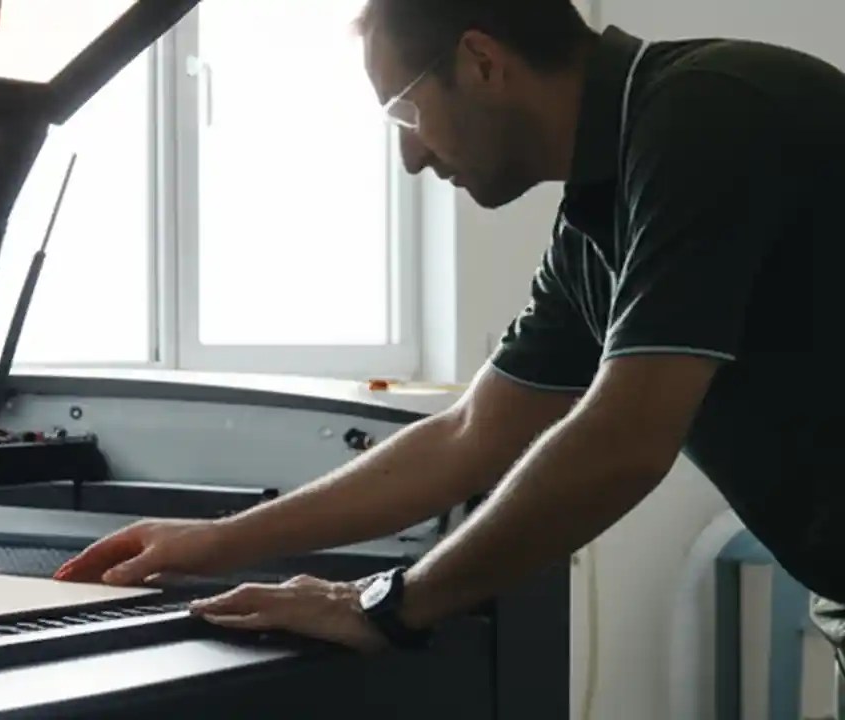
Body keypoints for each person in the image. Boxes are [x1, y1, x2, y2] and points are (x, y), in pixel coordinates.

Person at [55, 0, 842, 664]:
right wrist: (217, 542)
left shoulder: (711, 113)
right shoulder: (596, 224)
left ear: (482, 61)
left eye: (404, 109)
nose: (409, 155)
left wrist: (390, 604)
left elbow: (626, 439)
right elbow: (471, 433)